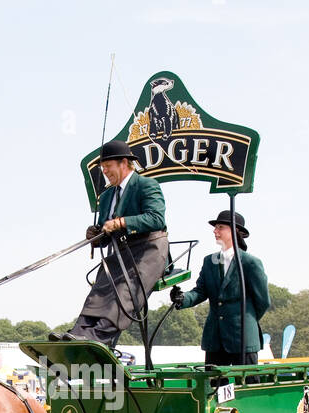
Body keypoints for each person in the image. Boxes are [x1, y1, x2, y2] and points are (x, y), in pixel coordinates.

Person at [67, 140, 168, 347]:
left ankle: (99, 337)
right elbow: (105, 235)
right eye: (102, 168)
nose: (104, 171)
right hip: (121, 253)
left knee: (124, 289)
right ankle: (79, 332)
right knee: (100, 289)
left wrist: (122, 222)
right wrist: (96, 235)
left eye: (108, 166)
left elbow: (157, 219)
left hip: (148, 252)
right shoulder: (105, 197)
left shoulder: (146, 185)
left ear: (124, 163)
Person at [169, 210, 270, 365]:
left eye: (220, 227)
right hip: (215, 339)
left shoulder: (250, 263)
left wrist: (245, 320)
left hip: (242, 338)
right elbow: (200, 291)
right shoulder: (209, 261)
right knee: (213, 388)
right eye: (215, 227)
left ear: (235, 231)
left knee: (246, 387)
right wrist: (182, 298)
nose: (215, 231)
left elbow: (262, 301)